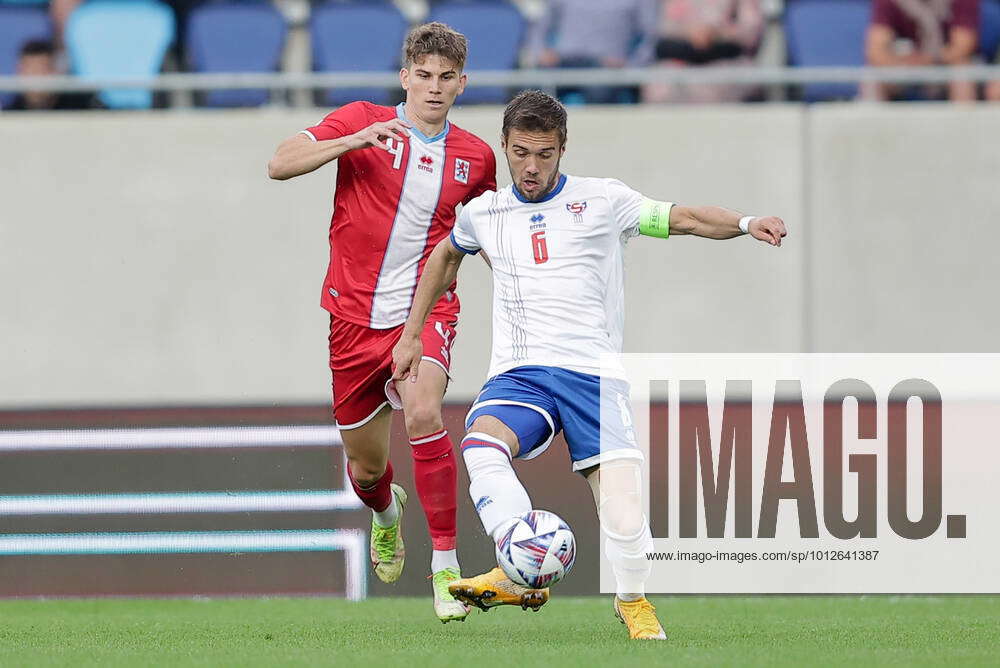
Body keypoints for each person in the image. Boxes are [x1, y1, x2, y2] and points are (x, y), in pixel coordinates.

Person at [392, 90, 786, 639]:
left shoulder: (604, 201)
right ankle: (519, 565)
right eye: (521, 153)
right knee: (481, 443)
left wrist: (745, 222)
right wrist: (412, 335)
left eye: (545, 154)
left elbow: (688, 218)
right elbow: (445, 255)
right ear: (504, 147)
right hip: (521, 373)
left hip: (593, 378)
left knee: (623, 515)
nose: (532, 167)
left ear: (563, 149)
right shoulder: (485, 213)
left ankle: (633, 600)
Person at [267, 23, 497, 622]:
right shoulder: (363, 120)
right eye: (424, 76)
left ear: (462, 84)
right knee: (366, 469)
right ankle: (386, 512)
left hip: (426, 313)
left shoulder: (476, 158)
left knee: (424, 411)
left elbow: (490, 235)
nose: (434, 88)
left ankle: (446, 570)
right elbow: (279, 163)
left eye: (447, 78)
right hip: (353, 320)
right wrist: (354, 141)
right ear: (405, 77)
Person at [528, 0, 659, 103]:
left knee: (600, 94)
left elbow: (650, 37)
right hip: (563, 62)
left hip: (606, 68)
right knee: (530, 92)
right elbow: (539, 26)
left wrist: (630, 66)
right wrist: (541, 52)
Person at [643, 0, 764, 104]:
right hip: (681, 61)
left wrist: (717, 34)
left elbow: (751, 32)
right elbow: (660, 32)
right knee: (659, 84)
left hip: (726, 63)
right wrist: (688, 33)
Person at [864, 0, 980, 102]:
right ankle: (871, 126)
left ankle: (962, 125)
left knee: (962, 73)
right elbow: (875, 50)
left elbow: (962, 47)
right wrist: (901, 61)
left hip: (943, 66)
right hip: (903, 66)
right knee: (872, 76)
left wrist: (929, 59)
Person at [5, 40, 101, 111]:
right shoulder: (9, 113)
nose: (36, 79)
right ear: (18, 72)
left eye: (42, 70)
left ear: (56, 71)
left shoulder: (83, 108)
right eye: (30, 71)